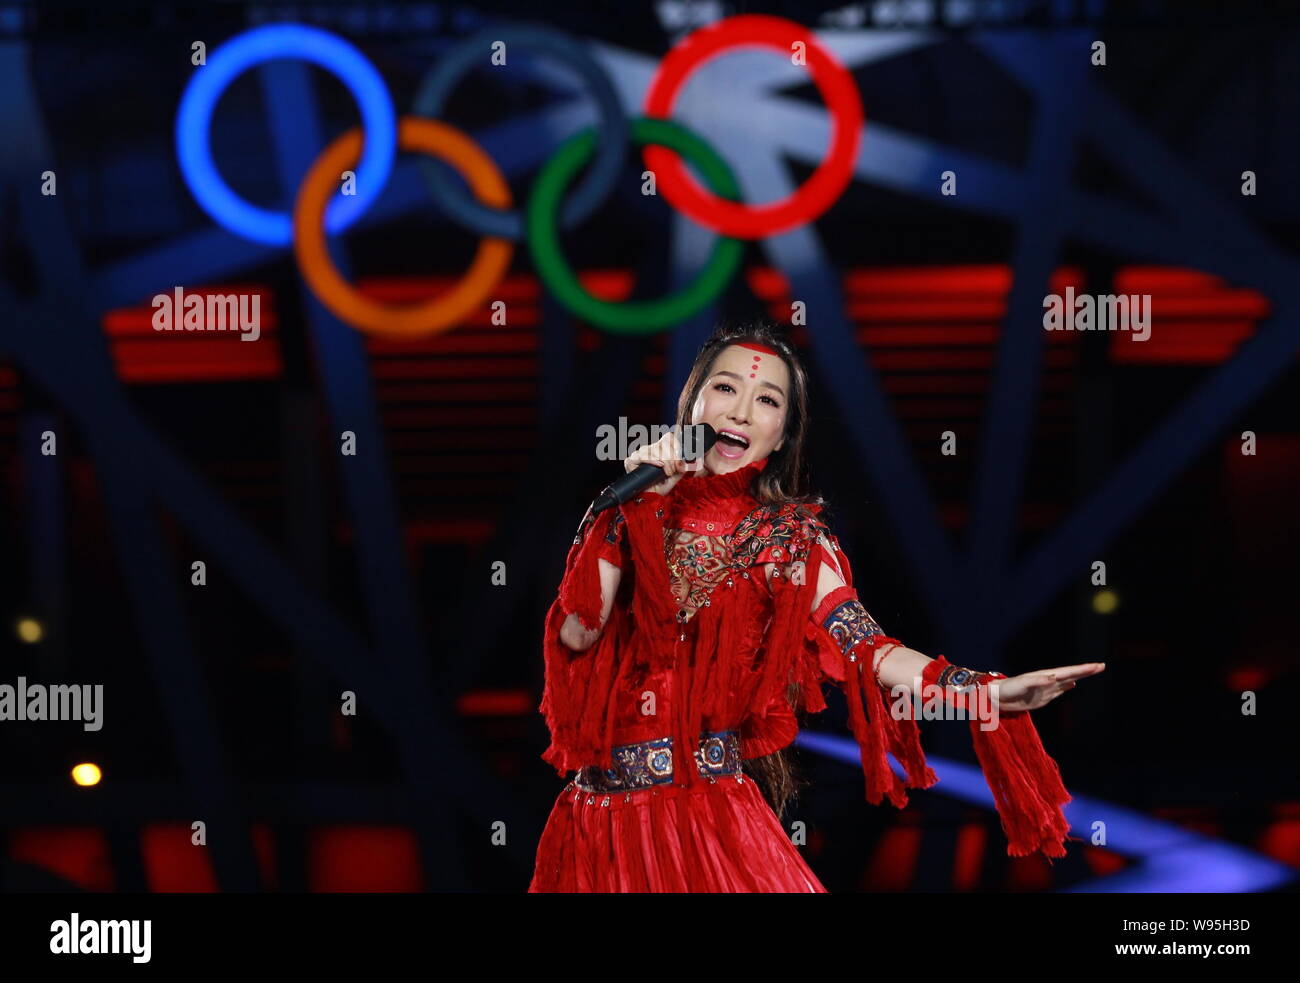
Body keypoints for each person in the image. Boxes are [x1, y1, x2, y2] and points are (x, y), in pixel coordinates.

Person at [529, 320, 1104, 892]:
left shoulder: (791, 540)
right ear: (692, 404)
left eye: (767, 400)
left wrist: (987, 692)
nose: (741, 412)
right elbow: (579, 634)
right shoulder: (624, 513)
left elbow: (869, 650)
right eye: (726, 388)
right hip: (594, 824)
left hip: (702, 823)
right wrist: (634, 513)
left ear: (780, 436)